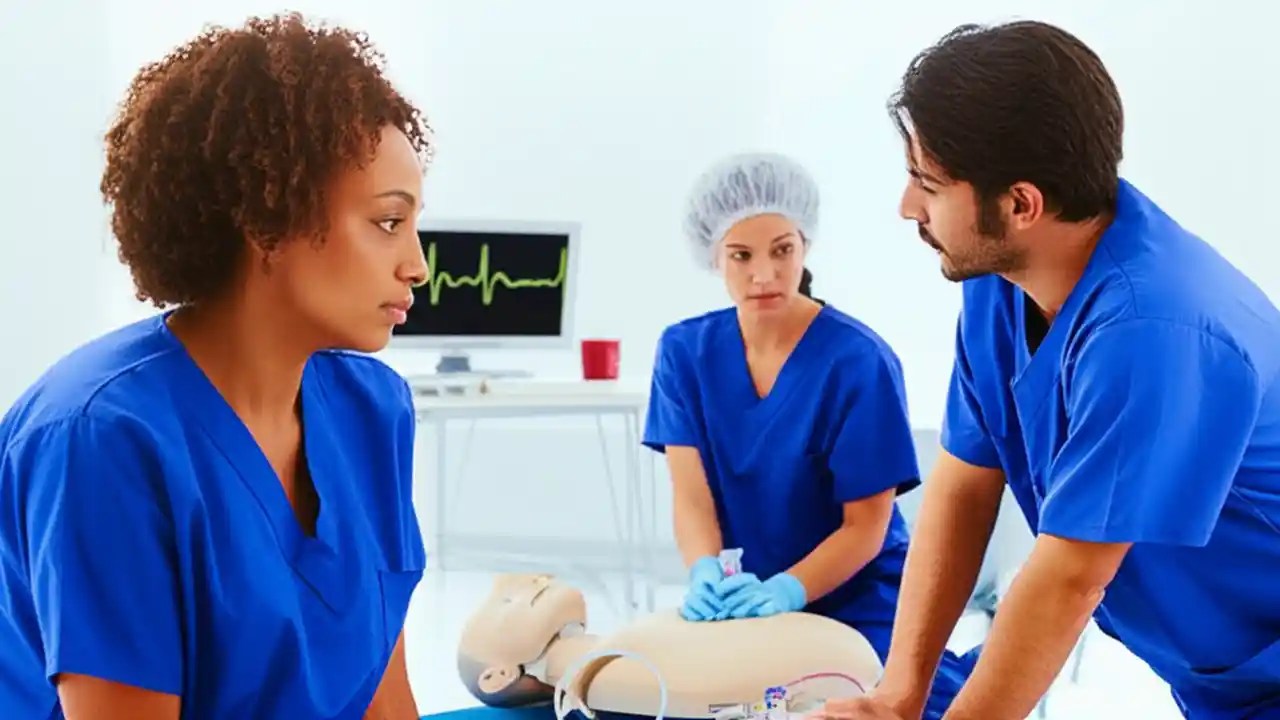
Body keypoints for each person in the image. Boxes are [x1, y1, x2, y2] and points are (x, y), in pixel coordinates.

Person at [819, 20, 1280, 720]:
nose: (908, 207)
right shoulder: (1002, 284)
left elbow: (1071, 577)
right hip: (1228, 679)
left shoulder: (1154, 331)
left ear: (1021, 204)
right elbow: (964, 487)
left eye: (927, 184)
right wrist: (897, 696)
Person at [0, 13, 431, 719]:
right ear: (268, 217)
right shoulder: (100, 437)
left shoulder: (373, 410)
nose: (417, 265)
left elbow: (384, 703)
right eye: (388, 222)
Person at [643, 152, 978, 717]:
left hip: (861, 598)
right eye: (741, 255)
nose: (764, 274)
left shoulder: (858, 360)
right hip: (746, 601)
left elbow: (865, 527)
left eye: (782, 250)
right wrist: (704, 572)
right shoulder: (683, 352)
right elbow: (692, 498)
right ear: (714, 256)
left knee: (912, 706)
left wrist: (786, 592)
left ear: (805, 245)